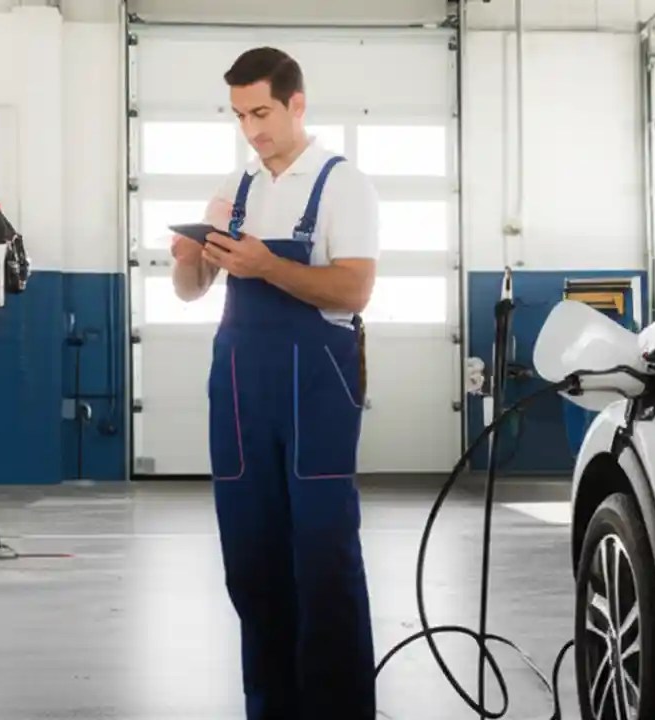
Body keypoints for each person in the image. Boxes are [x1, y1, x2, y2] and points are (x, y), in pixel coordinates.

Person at [170, 47, 380, 720]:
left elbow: (354, 288)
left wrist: (265, 266)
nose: (251, 129)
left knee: (322, 558)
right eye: (239, 116)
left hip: (315, 385)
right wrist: (189, 259)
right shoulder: (236, 191)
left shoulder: (343, 184)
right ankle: (270, 707)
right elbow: (189, 293)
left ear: (296, 103)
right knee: (250, 560)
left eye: (261, 112)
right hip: (238, 390)